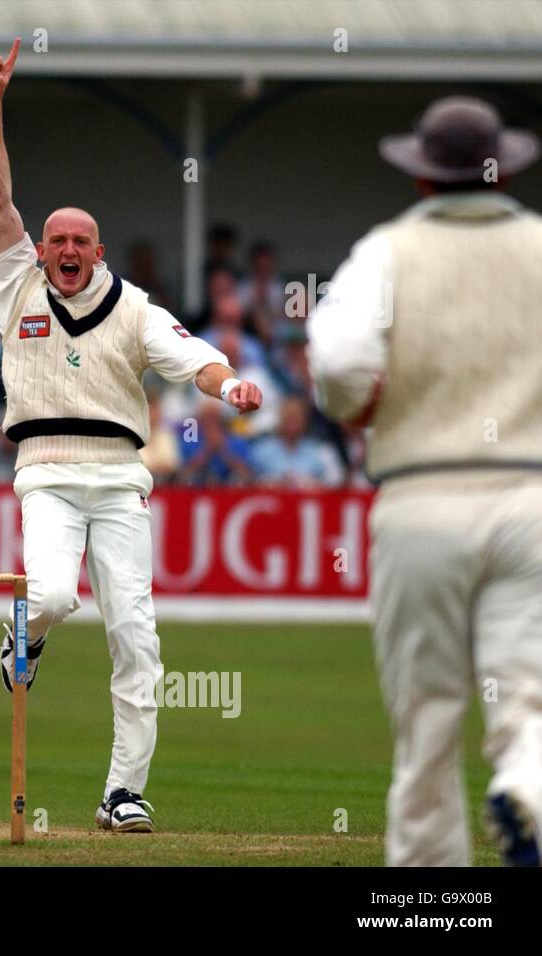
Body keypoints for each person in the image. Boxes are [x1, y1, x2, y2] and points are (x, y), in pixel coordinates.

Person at [0, 40, 261, 833]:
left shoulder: (133, 306)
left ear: (97, 251)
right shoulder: (16, 283)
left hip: (122, 477)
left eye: (80, 242)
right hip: (46, 470)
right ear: (43, 248)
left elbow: (190, 356)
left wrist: (229, 382)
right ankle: (23, 640)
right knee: (55, 596)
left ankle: (121, 792)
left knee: (137, 637)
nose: (65, 251)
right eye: (55, 239)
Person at [309, 96, 542, 867]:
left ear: (419, 179)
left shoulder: (387, 250)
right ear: (504, 168)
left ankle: (434, 907)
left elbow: (340, 364)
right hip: (531, 499)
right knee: (526, 693)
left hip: (421, 500)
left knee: (428, 719)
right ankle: (528, 784)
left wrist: (359, 405)